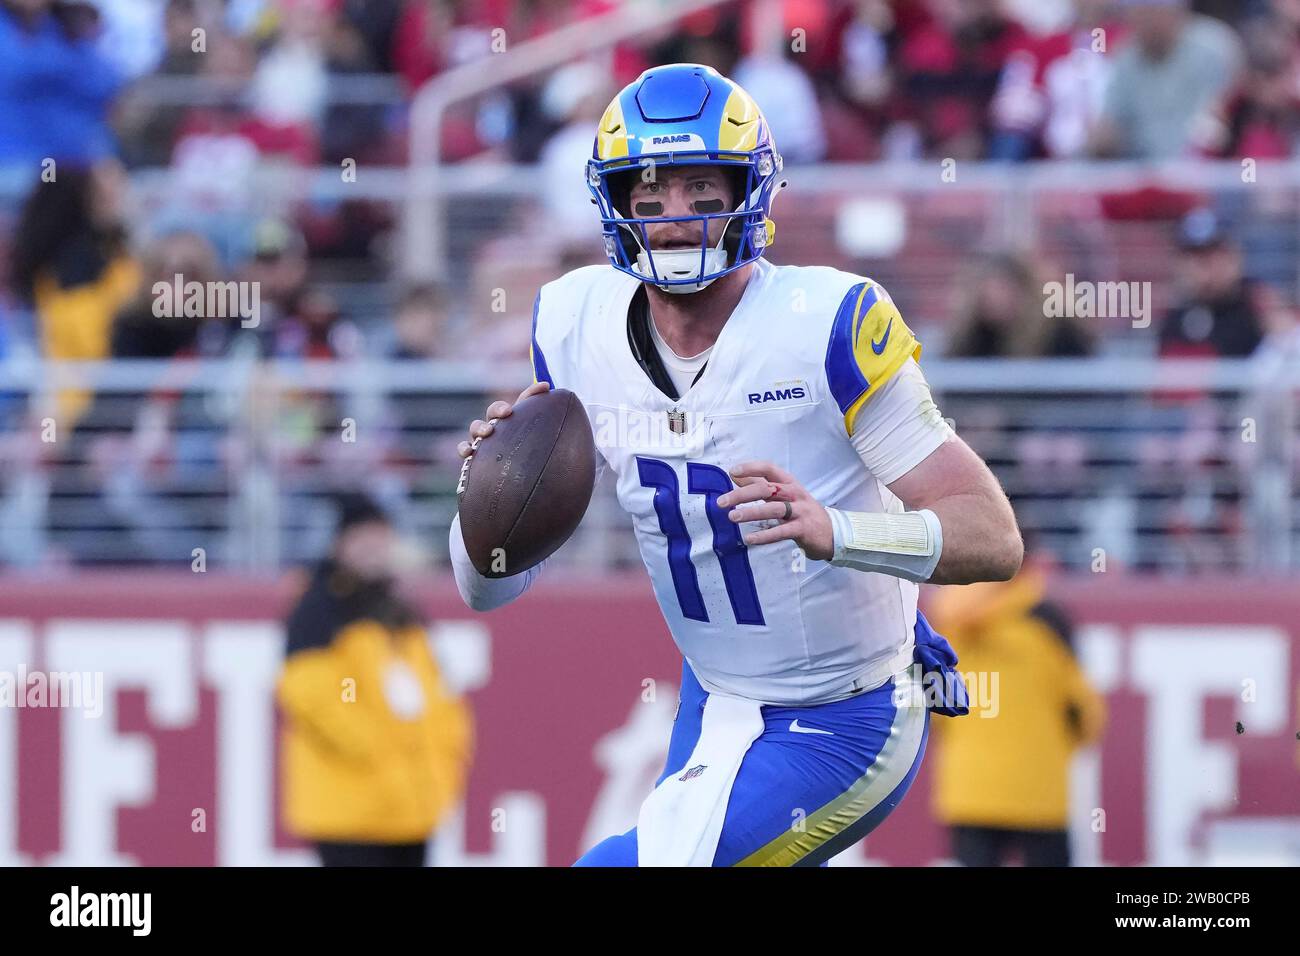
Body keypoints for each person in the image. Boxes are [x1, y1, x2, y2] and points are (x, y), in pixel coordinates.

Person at [450, 64, 1023, 867]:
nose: (675, 220)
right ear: (616, 206)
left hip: (845, 716)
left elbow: (993, 535)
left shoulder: (825, 323)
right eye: (650, 196)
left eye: (701, 191)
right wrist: (487, 503)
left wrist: (841, 534)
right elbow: (487, 590)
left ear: (749, 193)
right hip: (714, 695)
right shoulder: (576, 323)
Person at [278, 494, 473, 867]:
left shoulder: (400, 608)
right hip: (351, 811)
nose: (375, 548)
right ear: (340, 544)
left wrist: (443, 760)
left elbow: (439, 695)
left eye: (381, 536)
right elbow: (309, 695)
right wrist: (378, 752)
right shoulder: (319, 607)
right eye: (363, 537)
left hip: (412, 808)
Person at [927, 549, 1107, 866]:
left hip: (970, 790)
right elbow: (1083, 708)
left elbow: (936, 705)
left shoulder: (947, 625)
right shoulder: (1047, 621)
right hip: (1039, 790)